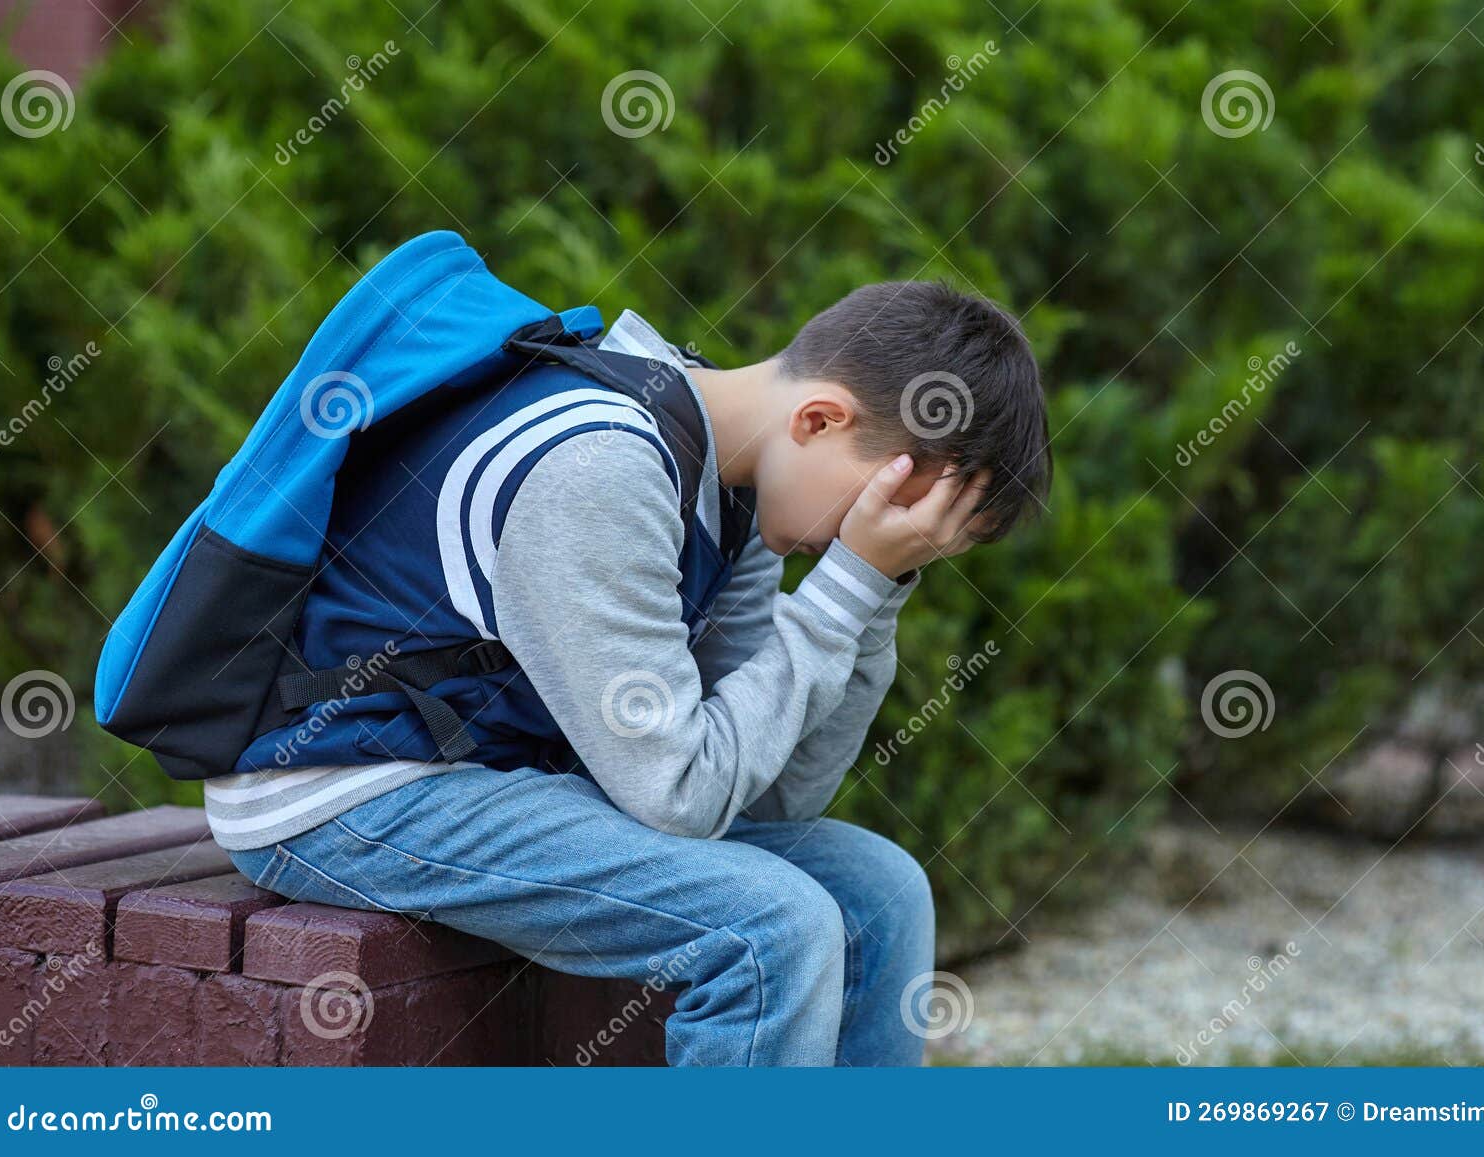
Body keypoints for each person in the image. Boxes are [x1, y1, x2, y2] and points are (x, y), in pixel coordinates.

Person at [215, 280, 1051, 1065]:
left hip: (498, 783)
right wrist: (846, 591)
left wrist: (875, 598)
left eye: (912, 545)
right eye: (889, 517)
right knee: (771, 930)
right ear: (820, 420)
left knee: (879, 890)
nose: (867, 547)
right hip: (344, 790)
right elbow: (679, 793)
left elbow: (765, 797)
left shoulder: (731, 490)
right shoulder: (599, 465)